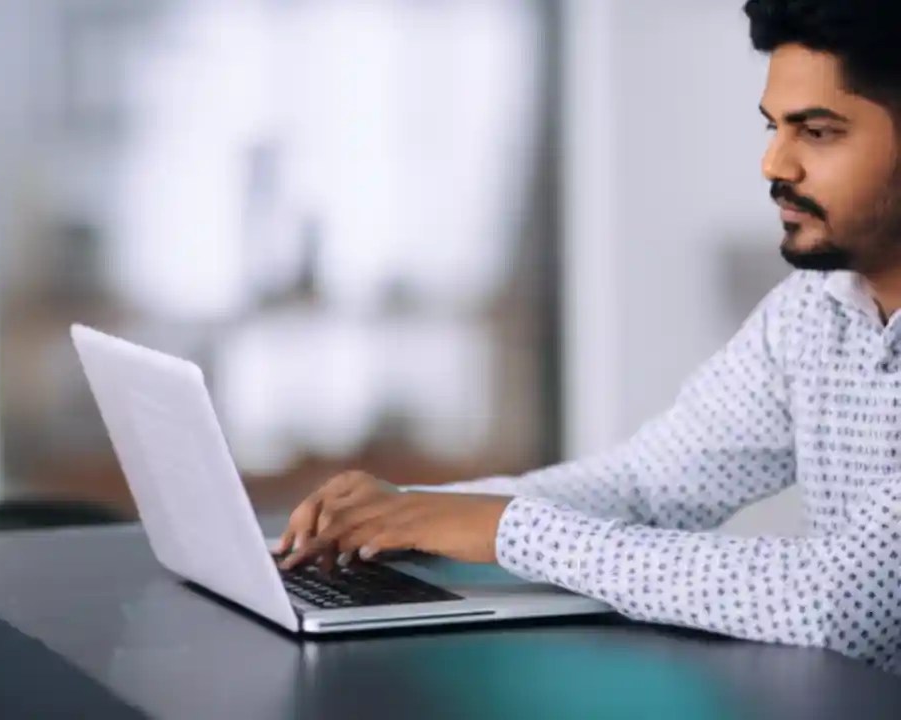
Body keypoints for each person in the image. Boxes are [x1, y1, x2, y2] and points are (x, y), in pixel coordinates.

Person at [273, 0, 901, 672]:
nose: (774, 164)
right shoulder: (813, 310)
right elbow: (646, 485)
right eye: (774, 128)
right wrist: (403, 517)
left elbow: (847, 603)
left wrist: (504, 528)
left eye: (819, 132)